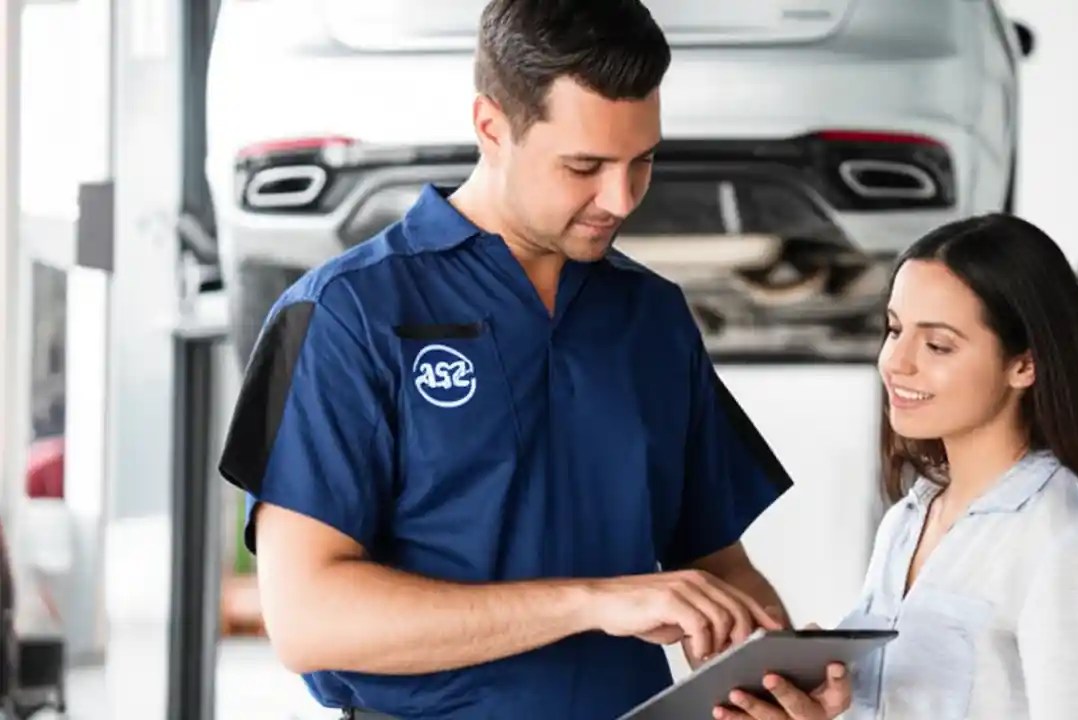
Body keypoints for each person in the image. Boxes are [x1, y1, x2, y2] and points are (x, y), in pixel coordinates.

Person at [215, 1, 852, 718]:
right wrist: (591, 601)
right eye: (585, 165)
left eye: (641, 161)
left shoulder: (652, 318)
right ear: (491, 126)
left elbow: (718, 566)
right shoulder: (346, 314)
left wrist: (773, 669)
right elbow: (307, 620)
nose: (620, 198)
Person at [761, 213, 1078, 720]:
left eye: (937, 345)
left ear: (1025, 364)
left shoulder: (1072, 542)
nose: (896, 361)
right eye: (894, 330)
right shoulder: (905, 522)